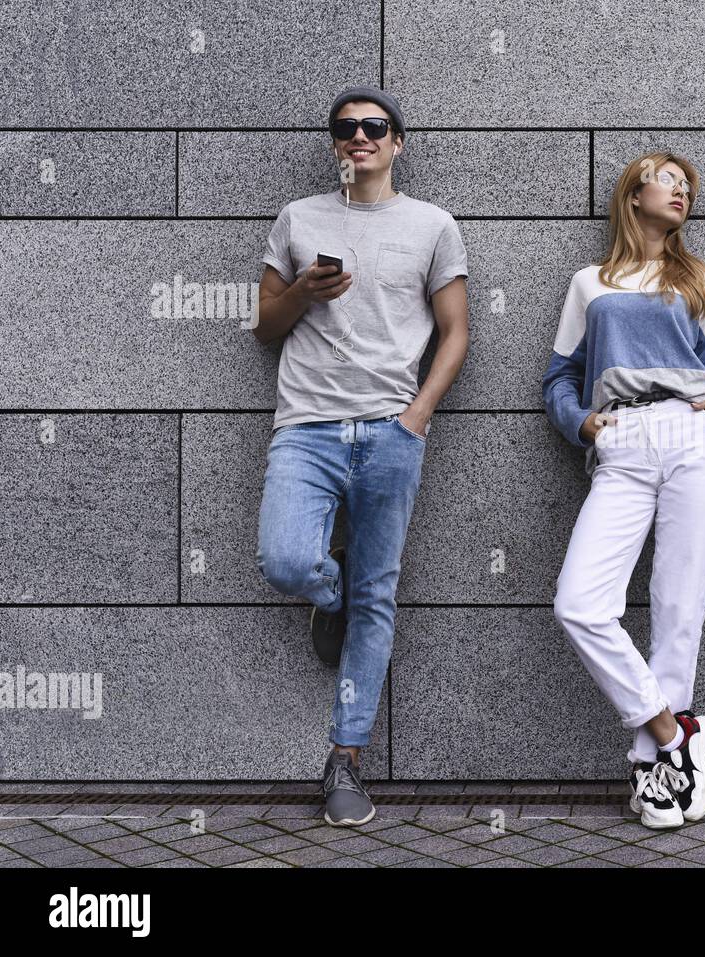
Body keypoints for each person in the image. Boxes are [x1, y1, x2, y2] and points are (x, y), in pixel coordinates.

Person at [251, 85, 469, 827]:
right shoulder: (298, 219)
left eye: (374, 127)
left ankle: (344, 760)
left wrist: (415, 418)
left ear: (397, 142)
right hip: (307, 426)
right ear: (335, 143)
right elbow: (263, 327)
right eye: (346, 129)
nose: (359, 137)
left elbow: (457, 332)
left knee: (380, 595)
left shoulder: (432, 225)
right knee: (284, 561)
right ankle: (326, 584)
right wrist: (306, 293)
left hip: (390, 431)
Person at [543, 152, 705, 829]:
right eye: (668, 179)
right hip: (622, 442)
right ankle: (672, 731)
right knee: (578, 603)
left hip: (692, 436)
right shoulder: (589, 284)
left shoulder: (701, 277)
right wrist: (584, 424)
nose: (682, 189)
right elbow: (558, 380)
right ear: (633, 195)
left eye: (689, 184)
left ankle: (657, 773)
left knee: (676, 608)